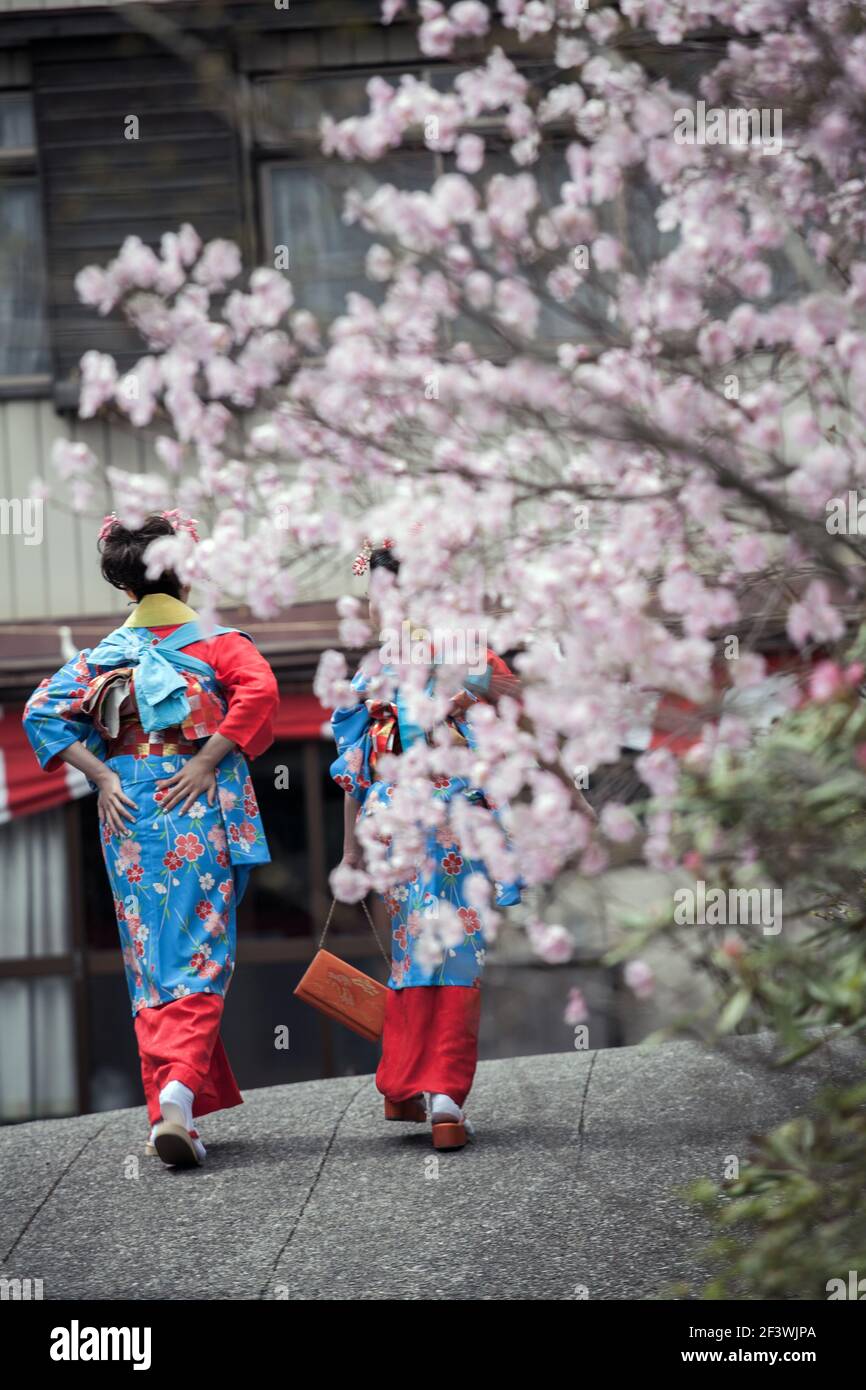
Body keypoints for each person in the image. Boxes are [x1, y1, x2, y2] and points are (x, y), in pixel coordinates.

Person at [23, 513, 279, 1168]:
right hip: (190, 800)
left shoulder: (105, 654)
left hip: (130, 805)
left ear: (126, 587)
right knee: (200, 947)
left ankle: (176, 1111)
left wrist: (104, 772)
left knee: (150, 953)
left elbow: (40, 710)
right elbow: (261, 692)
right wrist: (203, 760)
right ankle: (175, 1093)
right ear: (185, 574)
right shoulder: (216, 643)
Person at [330, 542, 521, 1151]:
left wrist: (350, 851)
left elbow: (354, 771)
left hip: (394, 818)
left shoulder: (371, 674)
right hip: (455, 813)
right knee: (457, 950)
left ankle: (411, 1083)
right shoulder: (462, 651)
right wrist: (461, 700)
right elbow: (508, 683)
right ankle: (443, 1096)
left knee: (413, 953)